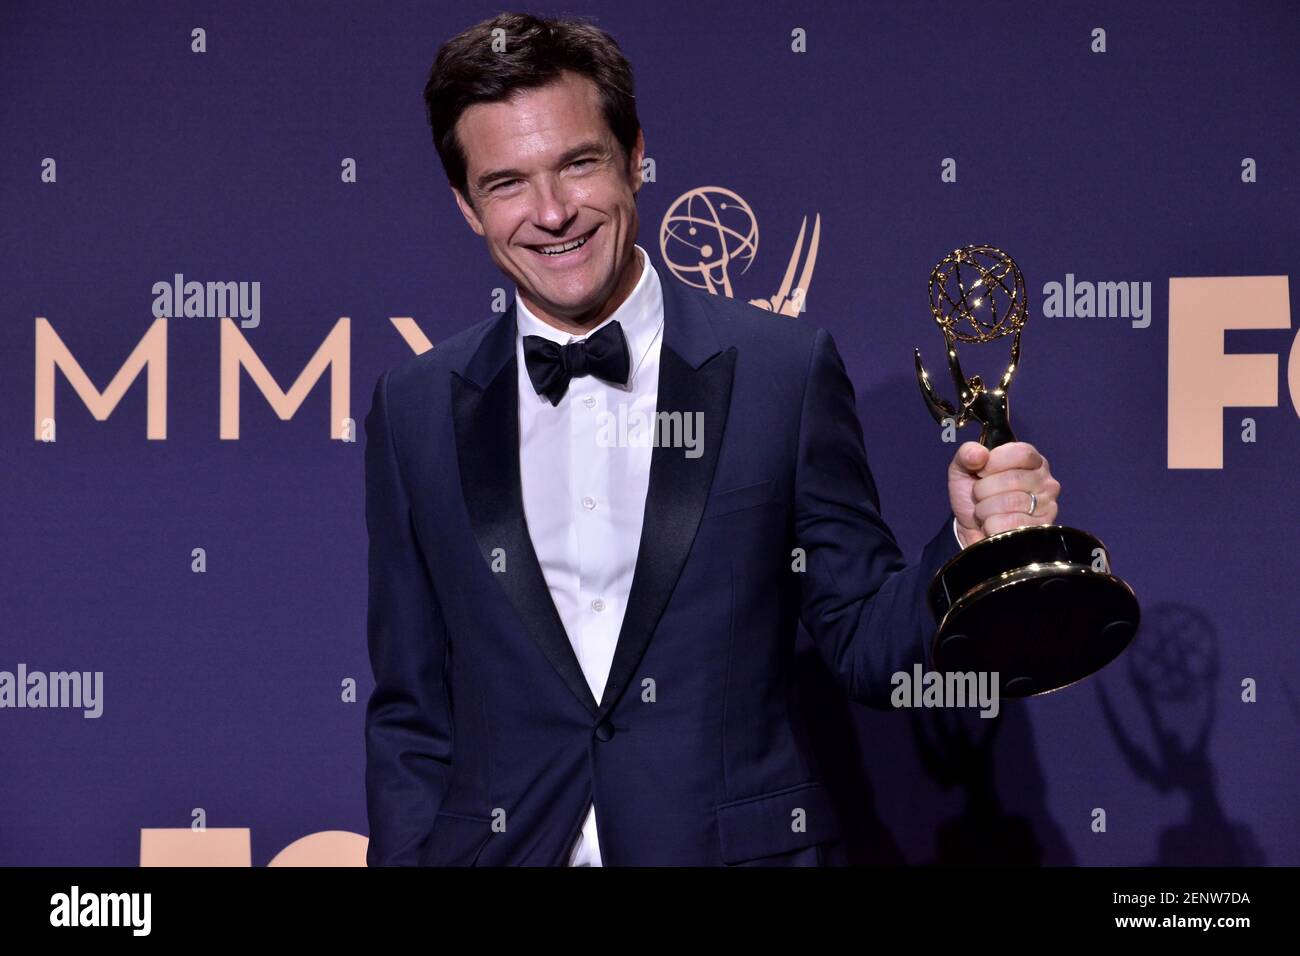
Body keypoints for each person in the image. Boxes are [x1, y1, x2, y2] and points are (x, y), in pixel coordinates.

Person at [363, 11, 1061, 866]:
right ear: (467, 207)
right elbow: (410, 707)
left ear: (634, 157)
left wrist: (969, 549)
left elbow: (863, 642)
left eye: (577, 163)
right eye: (506, 183)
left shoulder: (782, 372)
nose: (551, 213)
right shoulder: (414, 406)